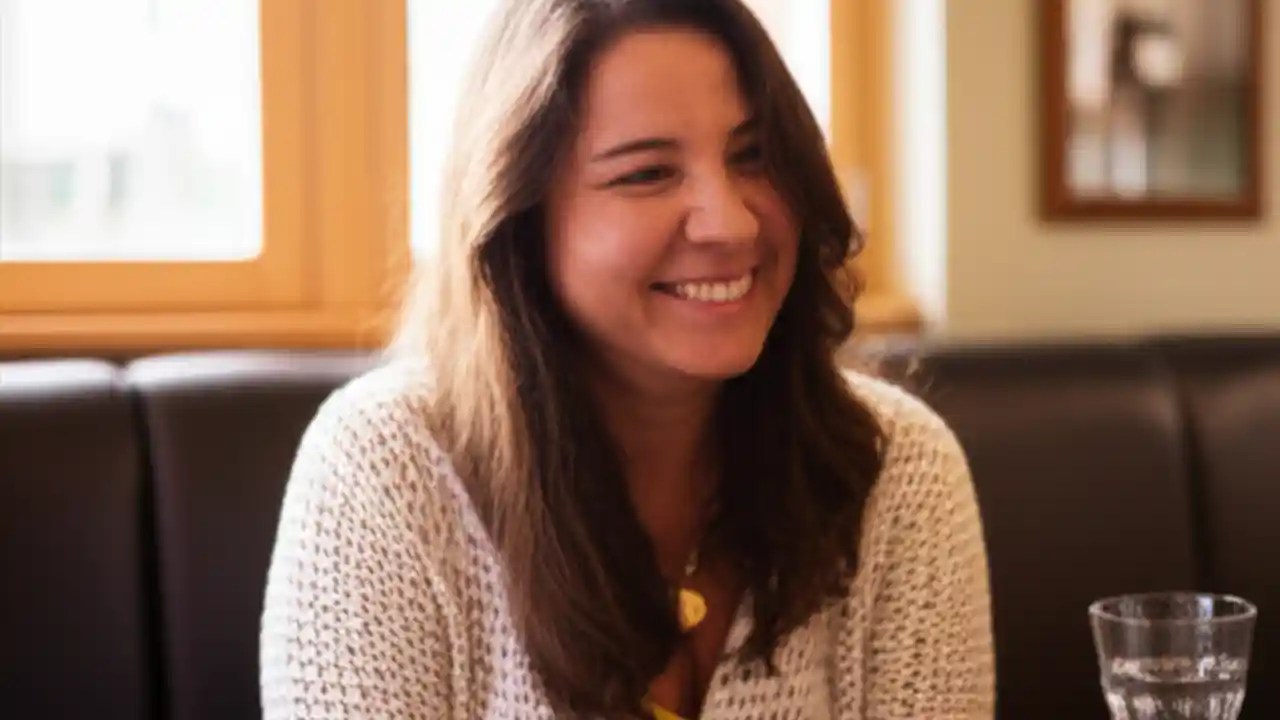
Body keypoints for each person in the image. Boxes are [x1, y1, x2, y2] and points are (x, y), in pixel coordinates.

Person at [259, 0, 994, 717]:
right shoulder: (384, 471)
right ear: (518, 217)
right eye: (647, 173)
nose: (730, 221)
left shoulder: (900, 470)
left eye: (755, 156)